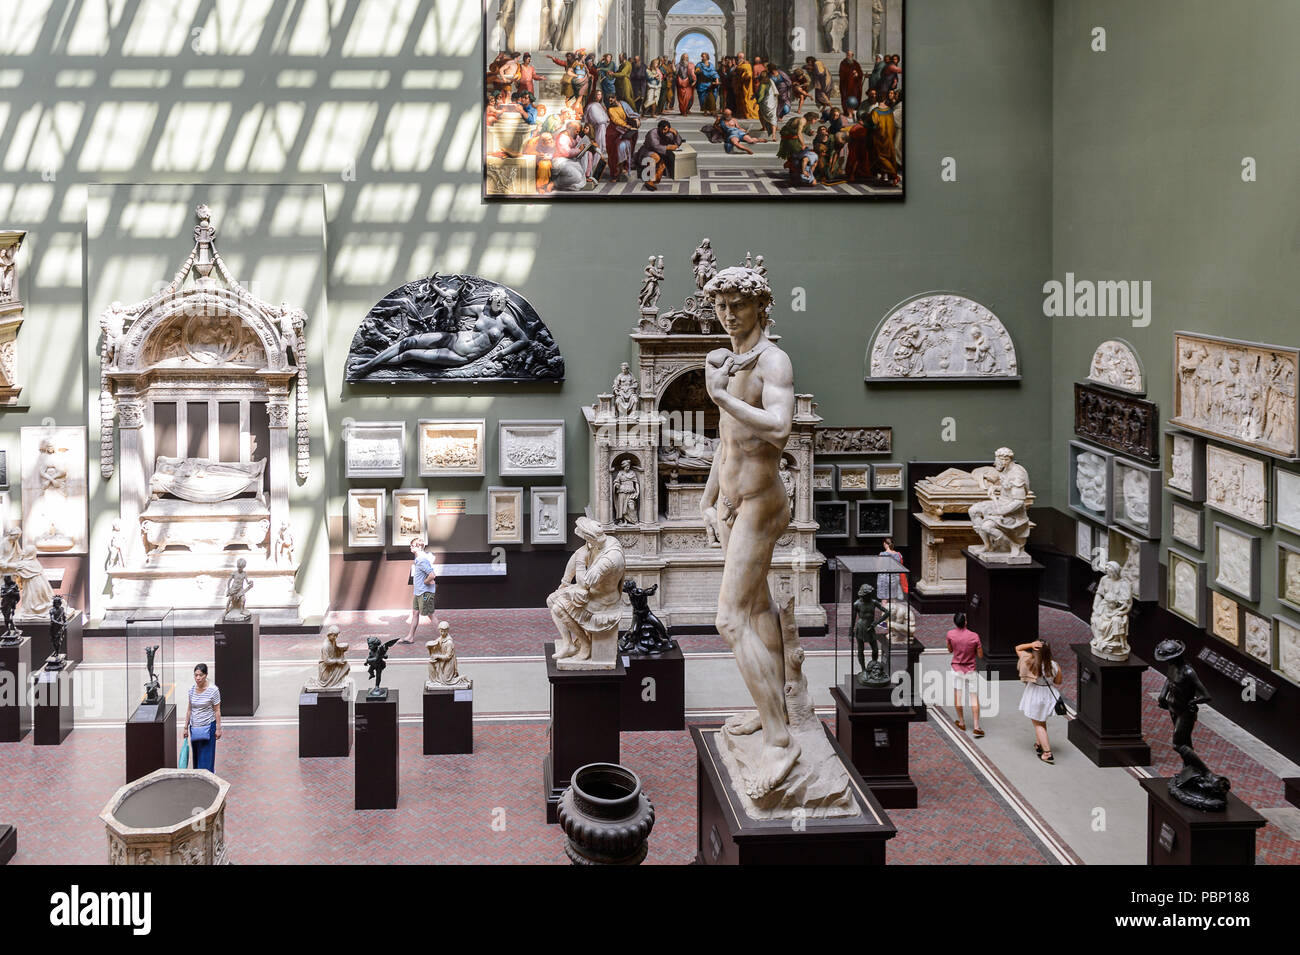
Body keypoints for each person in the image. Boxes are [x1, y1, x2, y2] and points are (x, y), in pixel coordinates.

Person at [699, 264, 800, 797]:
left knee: (729, 619)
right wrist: (709, 496)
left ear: (761, 306)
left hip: (763, 504)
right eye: (721, 306)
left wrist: (722, 397)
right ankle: (772, 709)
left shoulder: (773, 361)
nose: (729, 314)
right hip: (736, 505)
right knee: (759, 609)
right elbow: (726, 442)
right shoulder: (729, 362)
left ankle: (781, 740)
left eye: (738, 304)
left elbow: (780, 429)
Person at [1016, 639, 1062, 764]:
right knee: (1041, 720)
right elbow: (1058, 682)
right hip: (1048, 694)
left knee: (1038, 724)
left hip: (1035, 694)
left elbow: (1018, 648)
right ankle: (1039, 744)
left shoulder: (1029, 662)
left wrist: (1031, 644)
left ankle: (1047, 753)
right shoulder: (1054, 665)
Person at [946, 612, 983, 737]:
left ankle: (961, 722)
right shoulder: (974, 636)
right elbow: (980, 655)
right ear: (965, 622)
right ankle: (976, 726)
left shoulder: (950, 634)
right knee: (973, 697)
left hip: (957, 669)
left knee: (958, 695)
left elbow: (950, 650)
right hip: (970, 669)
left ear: (955, 622)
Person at [184, 663, 222, 772]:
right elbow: (189, 709)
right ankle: (199, 782)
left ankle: (208, 781)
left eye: (200, 675)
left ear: (206, 675)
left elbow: (217, 710)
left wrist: (218, 729)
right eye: (195, 675)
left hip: (208, 729)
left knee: (206, 760)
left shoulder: (213, 690)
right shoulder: (191, 690)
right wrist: (186, 727)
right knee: (196, 758)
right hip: (195, 729)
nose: (198, 678)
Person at [405, 537, 438, 643]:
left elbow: (432, 575)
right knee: (415, 613)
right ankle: (410, 637)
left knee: (430, 614)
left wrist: (426, 582)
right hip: (418, 591)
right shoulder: (419, 559)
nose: (410, 547)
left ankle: (444, 636)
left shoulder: (422, 560)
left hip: (425, 592)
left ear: (419, 547)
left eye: (412, 545)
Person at [634, 119, 681, 190]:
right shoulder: (652, 133)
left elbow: (678, 143)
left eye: (665, 129)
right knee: (655, 157)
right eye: (662, 129)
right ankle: (649, 181)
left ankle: (653, 179)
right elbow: (655, 146)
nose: (663, 131)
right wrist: (668, 147)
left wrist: (676, 133)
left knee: (661, 168)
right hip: (647, 152)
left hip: (661, 153)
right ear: (658, 128)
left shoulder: (669, 133)